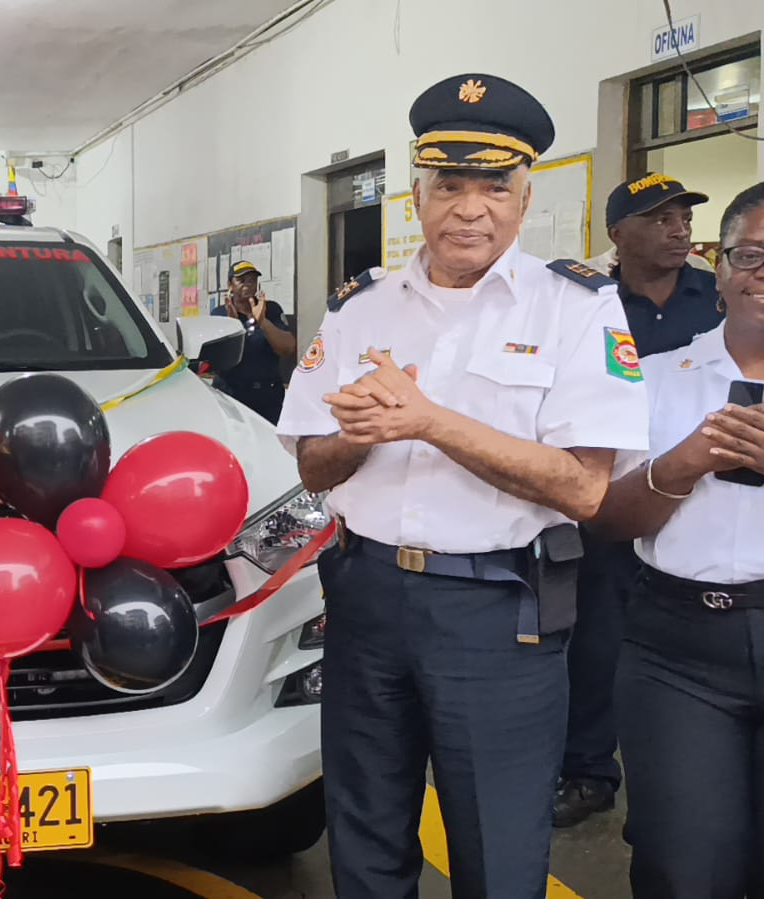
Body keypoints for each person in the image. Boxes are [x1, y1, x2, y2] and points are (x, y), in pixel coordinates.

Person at [276, 73, 650, 898]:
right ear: (416, 195)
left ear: (525, 197)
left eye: (493, 186)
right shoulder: (359, 310)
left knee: (498, 848)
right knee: (365, 833)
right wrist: (355, 435)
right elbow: (309, 463)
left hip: (496, 613)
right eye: (448, 185)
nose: (469, 208)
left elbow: (586, 490)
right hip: (366, 596)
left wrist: (426, 420)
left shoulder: (574, 310)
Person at [589, 182, 764, 897]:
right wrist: (682, 463)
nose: (763, 273)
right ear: (716, 269)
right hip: (678, 650)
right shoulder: (654, 380)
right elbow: (604, 519)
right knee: (684, 865)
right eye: (750, 254)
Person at [555, 174, 722, 828]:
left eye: (683, 216)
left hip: (703, 499)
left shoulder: (716, 298)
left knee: (690, 646)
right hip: (611, 501)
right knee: (594, 642)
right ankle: (589, 769)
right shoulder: (586, 305)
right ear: (617, 234)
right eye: (659, 218)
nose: (678, 228)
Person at [209, 261, 296, 423]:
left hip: (267, 397)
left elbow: (288, 348)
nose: (248, 285)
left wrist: (262, 321)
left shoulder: (271, 309)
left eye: (252, 280)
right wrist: (233, 327)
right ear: (230, 284)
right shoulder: (219, 314)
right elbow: (217, 360)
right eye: (241, 280)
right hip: (232, 395)